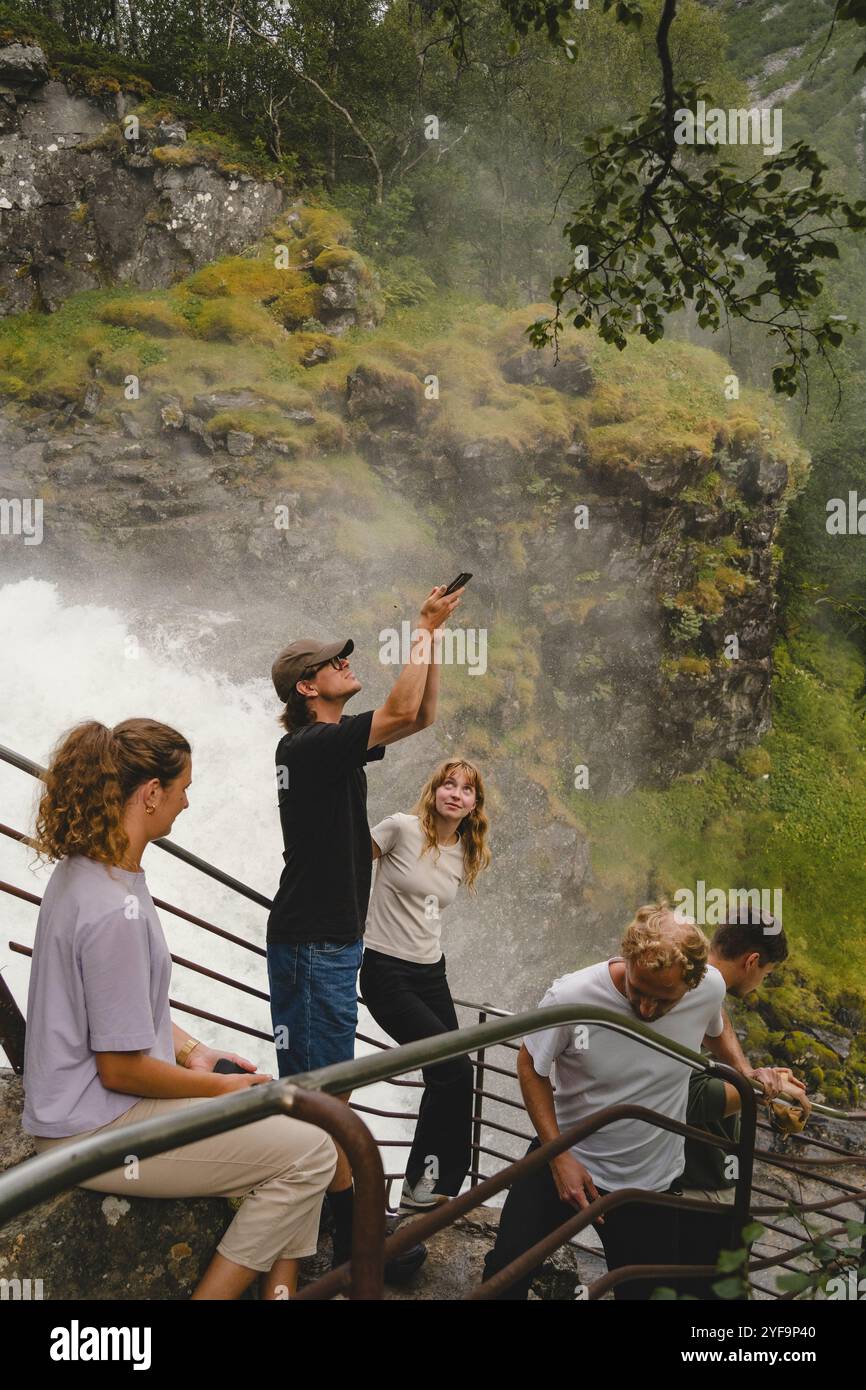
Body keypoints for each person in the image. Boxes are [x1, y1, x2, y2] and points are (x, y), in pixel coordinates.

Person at [22, 718, 337, 1301]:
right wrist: (221, 1093)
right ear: (150, 793)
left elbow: (117, 1005)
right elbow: (120, 1069)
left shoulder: (93, 871)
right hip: (93, 1128)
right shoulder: (113, 909)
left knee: (302, 1125)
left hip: (88, 1109)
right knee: (313, 1151)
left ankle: (282, 1289)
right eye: (182, 787)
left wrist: (196, 1052)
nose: (187, 802)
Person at [266, 583, 463, 1277]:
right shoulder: (311, 747)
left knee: (329, 1092)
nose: (350, 665)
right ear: (307, 685)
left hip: (329, 943)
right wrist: (423, 625)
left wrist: (433, 639)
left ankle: (341, 1234)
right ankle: (343, 1244)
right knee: (325, 1097)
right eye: (335, 662)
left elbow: (419, 718)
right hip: (313, 943)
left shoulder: (328, 747)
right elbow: (404, 708)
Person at [482, 903, 736, 1300]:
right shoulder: (574, 995)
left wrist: (745, 1071)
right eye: (638, 991)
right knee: (504, 1275)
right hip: (563, 1158)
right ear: (627, 959)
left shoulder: (709, 988)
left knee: (644, 1294)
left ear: (692, 983)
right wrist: (559, 1156)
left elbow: (717, 1028)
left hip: (649, 1184)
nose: (647, 1009)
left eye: (664, 999)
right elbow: (531, 1063)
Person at [360, 759, 492, 1211]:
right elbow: (350, 870)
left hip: (431, 972)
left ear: (475, 805)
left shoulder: (464, 850)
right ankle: (422, 1186)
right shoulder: (399, 829)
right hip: (385, 971)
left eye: (467, 789)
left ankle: (437, 1188)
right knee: (450, 1068)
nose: (456, 793)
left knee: (456, 1073)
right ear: (434, 790)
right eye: (449, 785)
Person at [677, 909, 811, 1295]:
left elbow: (711, 1014)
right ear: (752, 961)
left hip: (688, 1180)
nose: (761, 984)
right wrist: (765, 1089)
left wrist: (750, 1075)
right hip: (693, 1189)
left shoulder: (691, 979)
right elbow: (693, 1097)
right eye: (766, 975)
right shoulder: (693, 991)